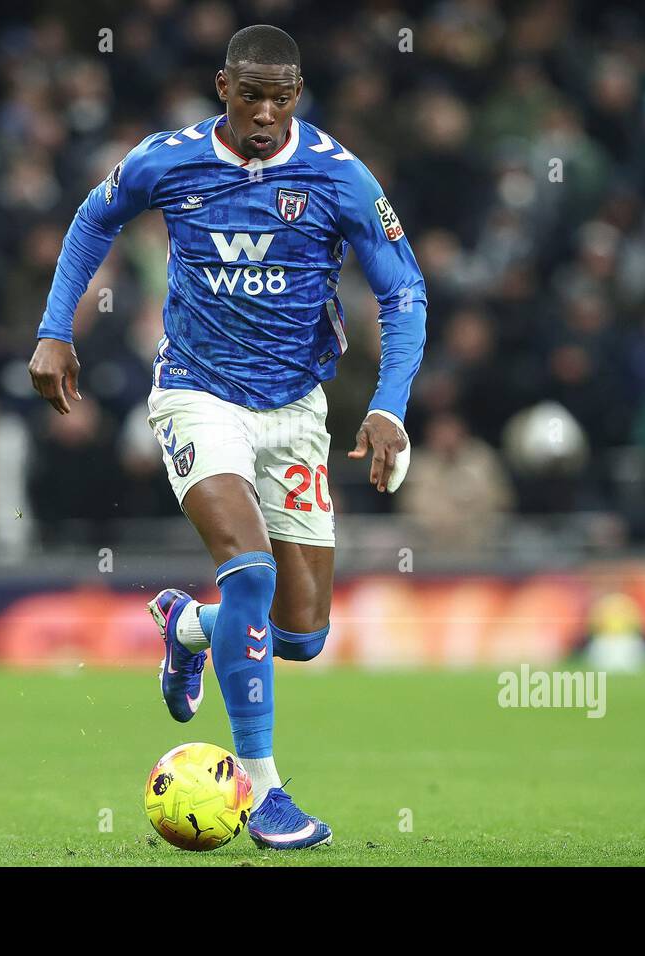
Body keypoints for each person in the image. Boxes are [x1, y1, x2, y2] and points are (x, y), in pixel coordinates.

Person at [29, 25, 427, 849]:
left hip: (295, 411)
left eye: (284, 96)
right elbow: (90, 221)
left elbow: (405, 293)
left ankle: (188, 629)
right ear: (223, 87)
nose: (267, 113)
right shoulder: (167, 160)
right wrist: (53, 329)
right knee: (245, 568)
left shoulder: (337, 174)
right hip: (197, 396)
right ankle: (265, 793)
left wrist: (389, 406)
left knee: (303, 634)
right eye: (252, 94)